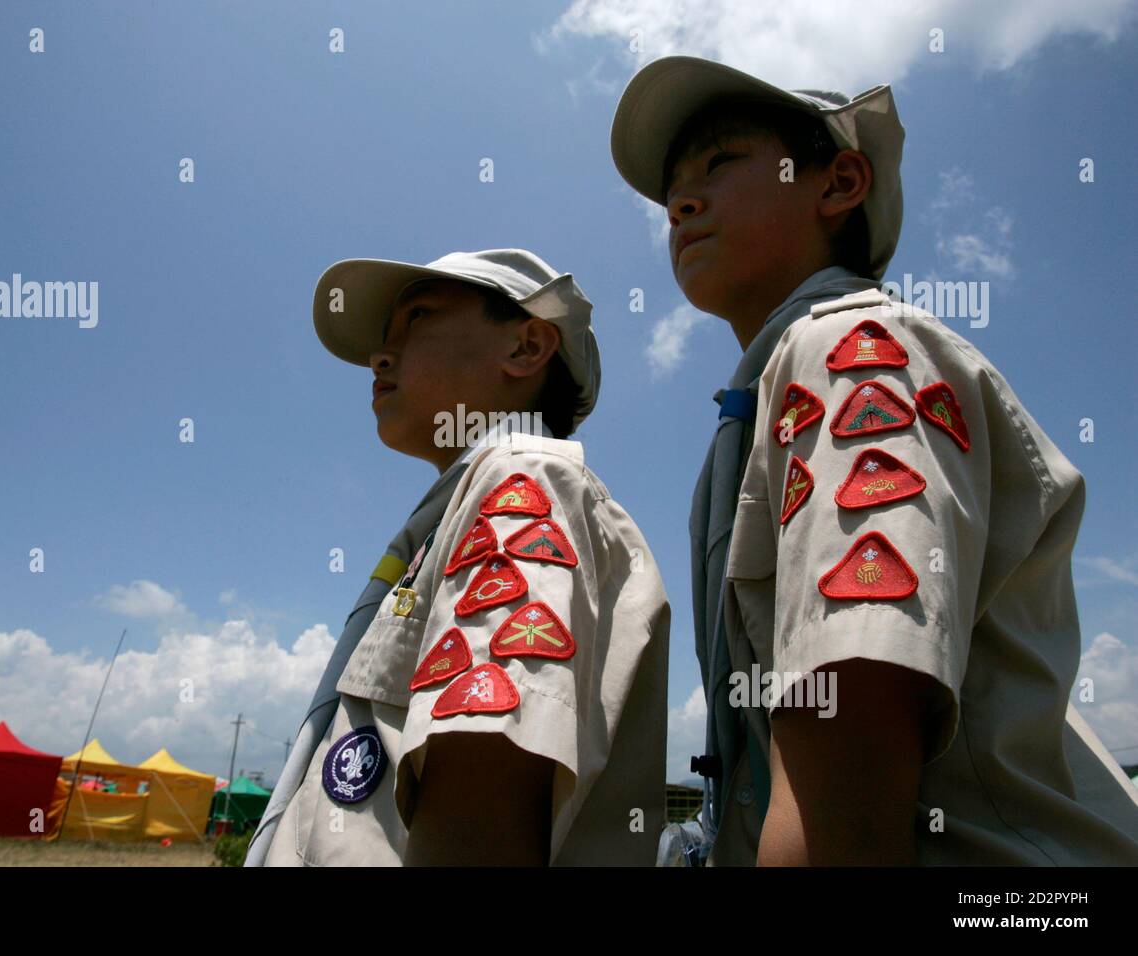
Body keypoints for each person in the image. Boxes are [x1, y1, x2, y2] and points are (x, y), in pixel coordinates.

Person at [609, 56, 1138, 864]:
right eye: (672, 191)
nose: (679, 203)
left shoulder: (852, 349)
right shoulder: (762, 401)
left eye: (720, 163)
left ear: (840, 182)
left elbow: (846, 747)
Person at [244, 248, 670, 866]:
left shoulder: (524, 480)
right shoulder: (449, 515)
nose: (379, 357)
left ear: (526, 348)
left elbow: (479, 826)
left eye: (417, 318)